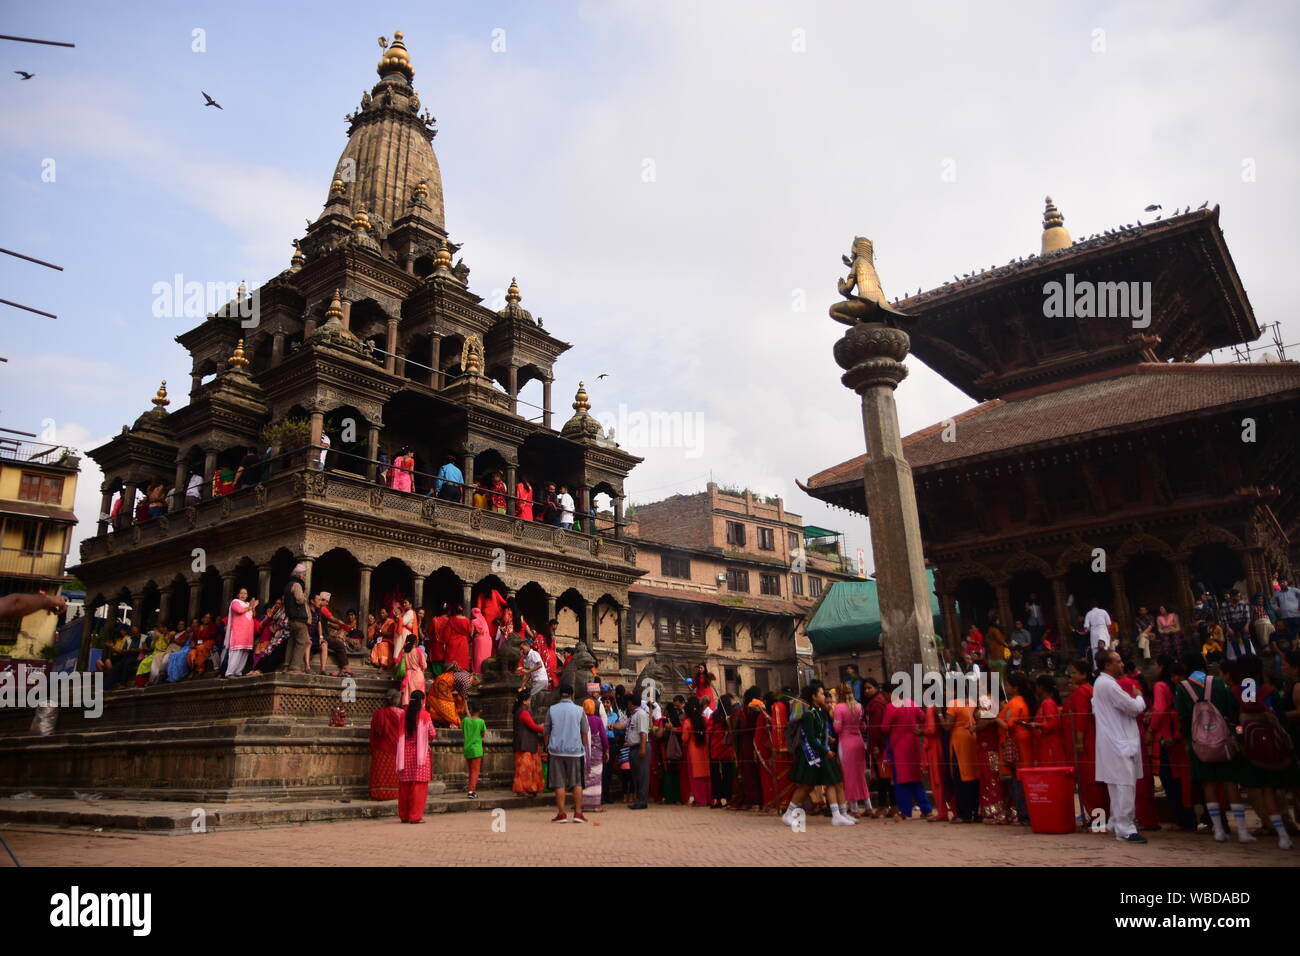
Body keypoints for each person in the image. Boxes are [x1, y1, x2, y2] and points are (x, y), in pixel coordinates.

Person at [1175, 651, 1253, 843]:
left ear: (1185, 668)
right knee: (1230, 783)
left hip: (1199, 742)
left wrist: (1189, 739)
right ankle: (1242, 831)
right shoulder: (1217, 683)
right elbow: (1230, 707)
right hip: (1222, 739)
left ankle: (1218, 829)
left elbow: (1183, 719)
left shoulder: (1183, 688)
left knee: (1208, 784)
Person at [1093, 648, 1148, 843]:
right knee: (1124, 785)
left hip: (1114, 741)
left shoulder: (1102, 684)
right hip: (1118, 741)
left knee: (1117, 785)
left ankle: (1118, 822)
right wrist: (1139, 696)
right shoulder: (1108, 685)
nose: (1122, 664)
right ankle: (1126, 828)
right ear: (1107, 665)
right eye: (1118, 661)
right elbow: (1133, 708)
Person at [783, 682, 855, 826]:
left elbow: (820, 733)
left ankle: (839, 814)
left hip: (821, 752)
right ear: (814, 696)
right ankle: (788, 813)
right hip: (812, 755)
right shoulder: (809, 715)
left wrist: (827, 739)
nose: (824, 696)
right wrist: (825, 750)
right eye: (821, 694)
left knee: (833, 781)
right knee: (806, 785)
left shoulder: (821, 713)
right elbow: (810, 738)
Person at [1150, 661, 1196, 831]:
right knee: (1181, 780)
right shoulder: (1184, 689)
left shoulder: (1162, 686)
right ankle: (1188, 818)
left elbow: (1159, 709)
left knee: (1172, 780)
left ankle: (1183, 819)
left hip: (1167, 738)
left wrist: (1151, 729)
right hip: (1180, 737)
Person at [544, 686, 590, 823]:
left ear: (560, 695)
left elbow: (546, 731)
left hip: (556, 750)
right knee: (577, 782)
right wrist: (584, 746)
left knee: (559, 783)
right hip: (575, 751)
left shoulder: (552, 709)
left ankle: (561, 813)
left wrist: (547, 747)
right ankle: (578, 813)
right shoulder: (579, 710)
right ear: (572, 695)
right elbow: (584, 732)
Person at [396, 689, 434, 823]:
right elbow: (432, 734)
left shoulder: (403, 715)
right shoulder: (425, 715)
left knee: (405, 785)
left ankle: (405, 816)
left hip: (404, 754)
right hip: (420, 755)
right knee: (419, 786)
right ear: (422, 701)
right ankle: (415, 816)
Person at [833, 681, 869, 815]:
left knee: (848, 775)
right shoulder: (859, 706)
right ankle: (868, 804)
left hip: (845, 743)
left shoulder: (839, 708)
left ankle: (854, 807)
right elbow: (863, 726)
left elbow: (837, 728)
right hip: (858, 741)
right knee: (860, 774)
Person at [945, 690, 980, 823]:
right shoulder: (972, 702)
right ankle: (974, 811)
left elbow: (948, 726)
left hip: (959, 741)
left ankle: (963, 813)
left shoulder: (954, 703)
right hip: (972, 738)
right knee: (973, 776)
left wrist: (939, 716)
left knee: (960, 776)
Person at [368, 688, 403, 800]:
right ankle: (395, 793)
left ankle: (378, 794)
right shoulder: (402, 714)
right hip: (397, 747)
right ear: (397, 701)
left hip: (381, 746)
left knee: (380, 772)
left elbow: (375, 731)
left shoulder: (378, 713)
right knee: (394, 772)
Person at [680, 697, 712, 807]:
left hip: (693, 751)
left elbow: (684, 738)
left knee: (695, 777)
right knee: (707, 776)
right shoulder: (704, 719)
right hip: (705, 750)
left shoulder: (687, 722)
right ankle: (709, 799)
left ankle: (700, 800)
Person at [512, 692, 544, 796]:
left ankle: (528, 788)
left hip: (522, 742)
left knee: (525, 767)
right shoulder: (524, 712)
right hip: (525, 743)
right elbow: (532, 726)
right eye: (529, 700)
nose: (530, 701)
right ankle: (522, 788)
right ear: (524, 701)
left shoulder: (518, 711)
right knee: (525, 768)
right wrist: (543, 728)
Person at [580, 697, 608, 811]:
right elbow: (603, 737)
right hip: (596, 753)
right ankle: (595, 805)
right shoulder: (597, 720)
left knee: (585, 777)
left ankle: (583, 804)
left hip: (583, 753)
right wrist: (607, 750)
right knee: (596, 778)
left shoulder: (581, 720)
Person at [708, 694, 736, 808]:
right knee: (727, 774)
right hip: (726, 748)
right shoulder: (729, 715)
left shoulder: (715, 715)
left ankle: (719, 800)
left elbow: (709, 730)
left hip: (716, 748)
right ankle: (727, 800)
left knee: (717, 775)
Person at [281, 562, 311, 673]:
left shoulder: (288, 585)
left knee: (292, 641)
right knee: (301, 642)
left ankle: (286, 665)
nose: (304, 576)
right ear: (299, 574)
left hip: (291, 618)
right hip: (299, 619)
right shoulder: (297, 585)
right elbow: (299, 600)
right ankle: (294, 667)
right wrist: (305, 595)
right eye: (303, 574)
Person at [222, 589, 258, 678]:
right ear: (238, 595)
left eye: (245, 593)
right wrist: (251, 606)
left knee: (244, 652)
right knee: (236, 652)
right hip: (238, 632)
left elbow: (253, 615)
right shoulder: (235, 602)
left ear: (247, 595)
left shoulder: (247, 604)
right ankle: (230, 673)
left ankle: (238, 672)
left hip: (247, 632)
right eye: (241, 593)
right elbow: (239, 611)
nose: (243, 595)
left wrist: (253, 607)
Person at [625, 694, 651, 809]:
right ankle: (639, 800)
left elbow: (643, 732)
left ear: (631, 703)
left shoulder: (640, 714)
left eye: (628, 702)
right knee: (636, 776)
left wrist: (642, 748)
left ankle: (642, 801)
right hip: (634, 748)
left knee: (642, 775)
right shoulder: (634, 715)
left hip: (640, 747)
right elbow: (625, 727)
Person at [393, 633, 427, 707]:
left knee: (407, 698)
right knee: (419, 697)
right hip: (418, 675)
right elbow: (424, 665)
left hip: (407, 676)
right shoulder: (418, 650)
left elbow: (397, 663)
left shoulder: (403, 651)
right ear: (415, 642)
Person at [462, 701, 487, 799]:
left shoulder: (466, 721)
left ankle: (471, 789)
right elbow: (483, 734)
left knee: (471, 771)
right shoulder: (481, 721)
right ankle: (471, 791)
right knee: (475, 771)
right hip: (476, 749)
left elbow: (464, 729)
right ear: (481, 711)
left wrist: (465, 703)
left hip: (467, 748)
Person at [1271, 576, 1300, 642]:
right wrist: (1277, 609)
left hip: (1296, 615)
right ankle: (1295, 648)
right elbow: (1272, 602)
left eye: (1284, 582)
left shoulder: (1294, 590)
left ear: (1287, 582)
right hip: (1285, 617)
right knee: (1291, 634)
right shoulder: (1277, 593)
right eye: (1280, 582)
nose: (1282, 583)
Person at [469, 607, 493, 674]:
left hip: (480, 641)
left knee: (478, 658)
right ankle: (485, 673)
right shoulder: (484, 621)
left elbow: (471, 634)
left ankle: (477, 674)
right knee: (486, 657)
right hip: (488, 640)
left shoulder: (474, 621)